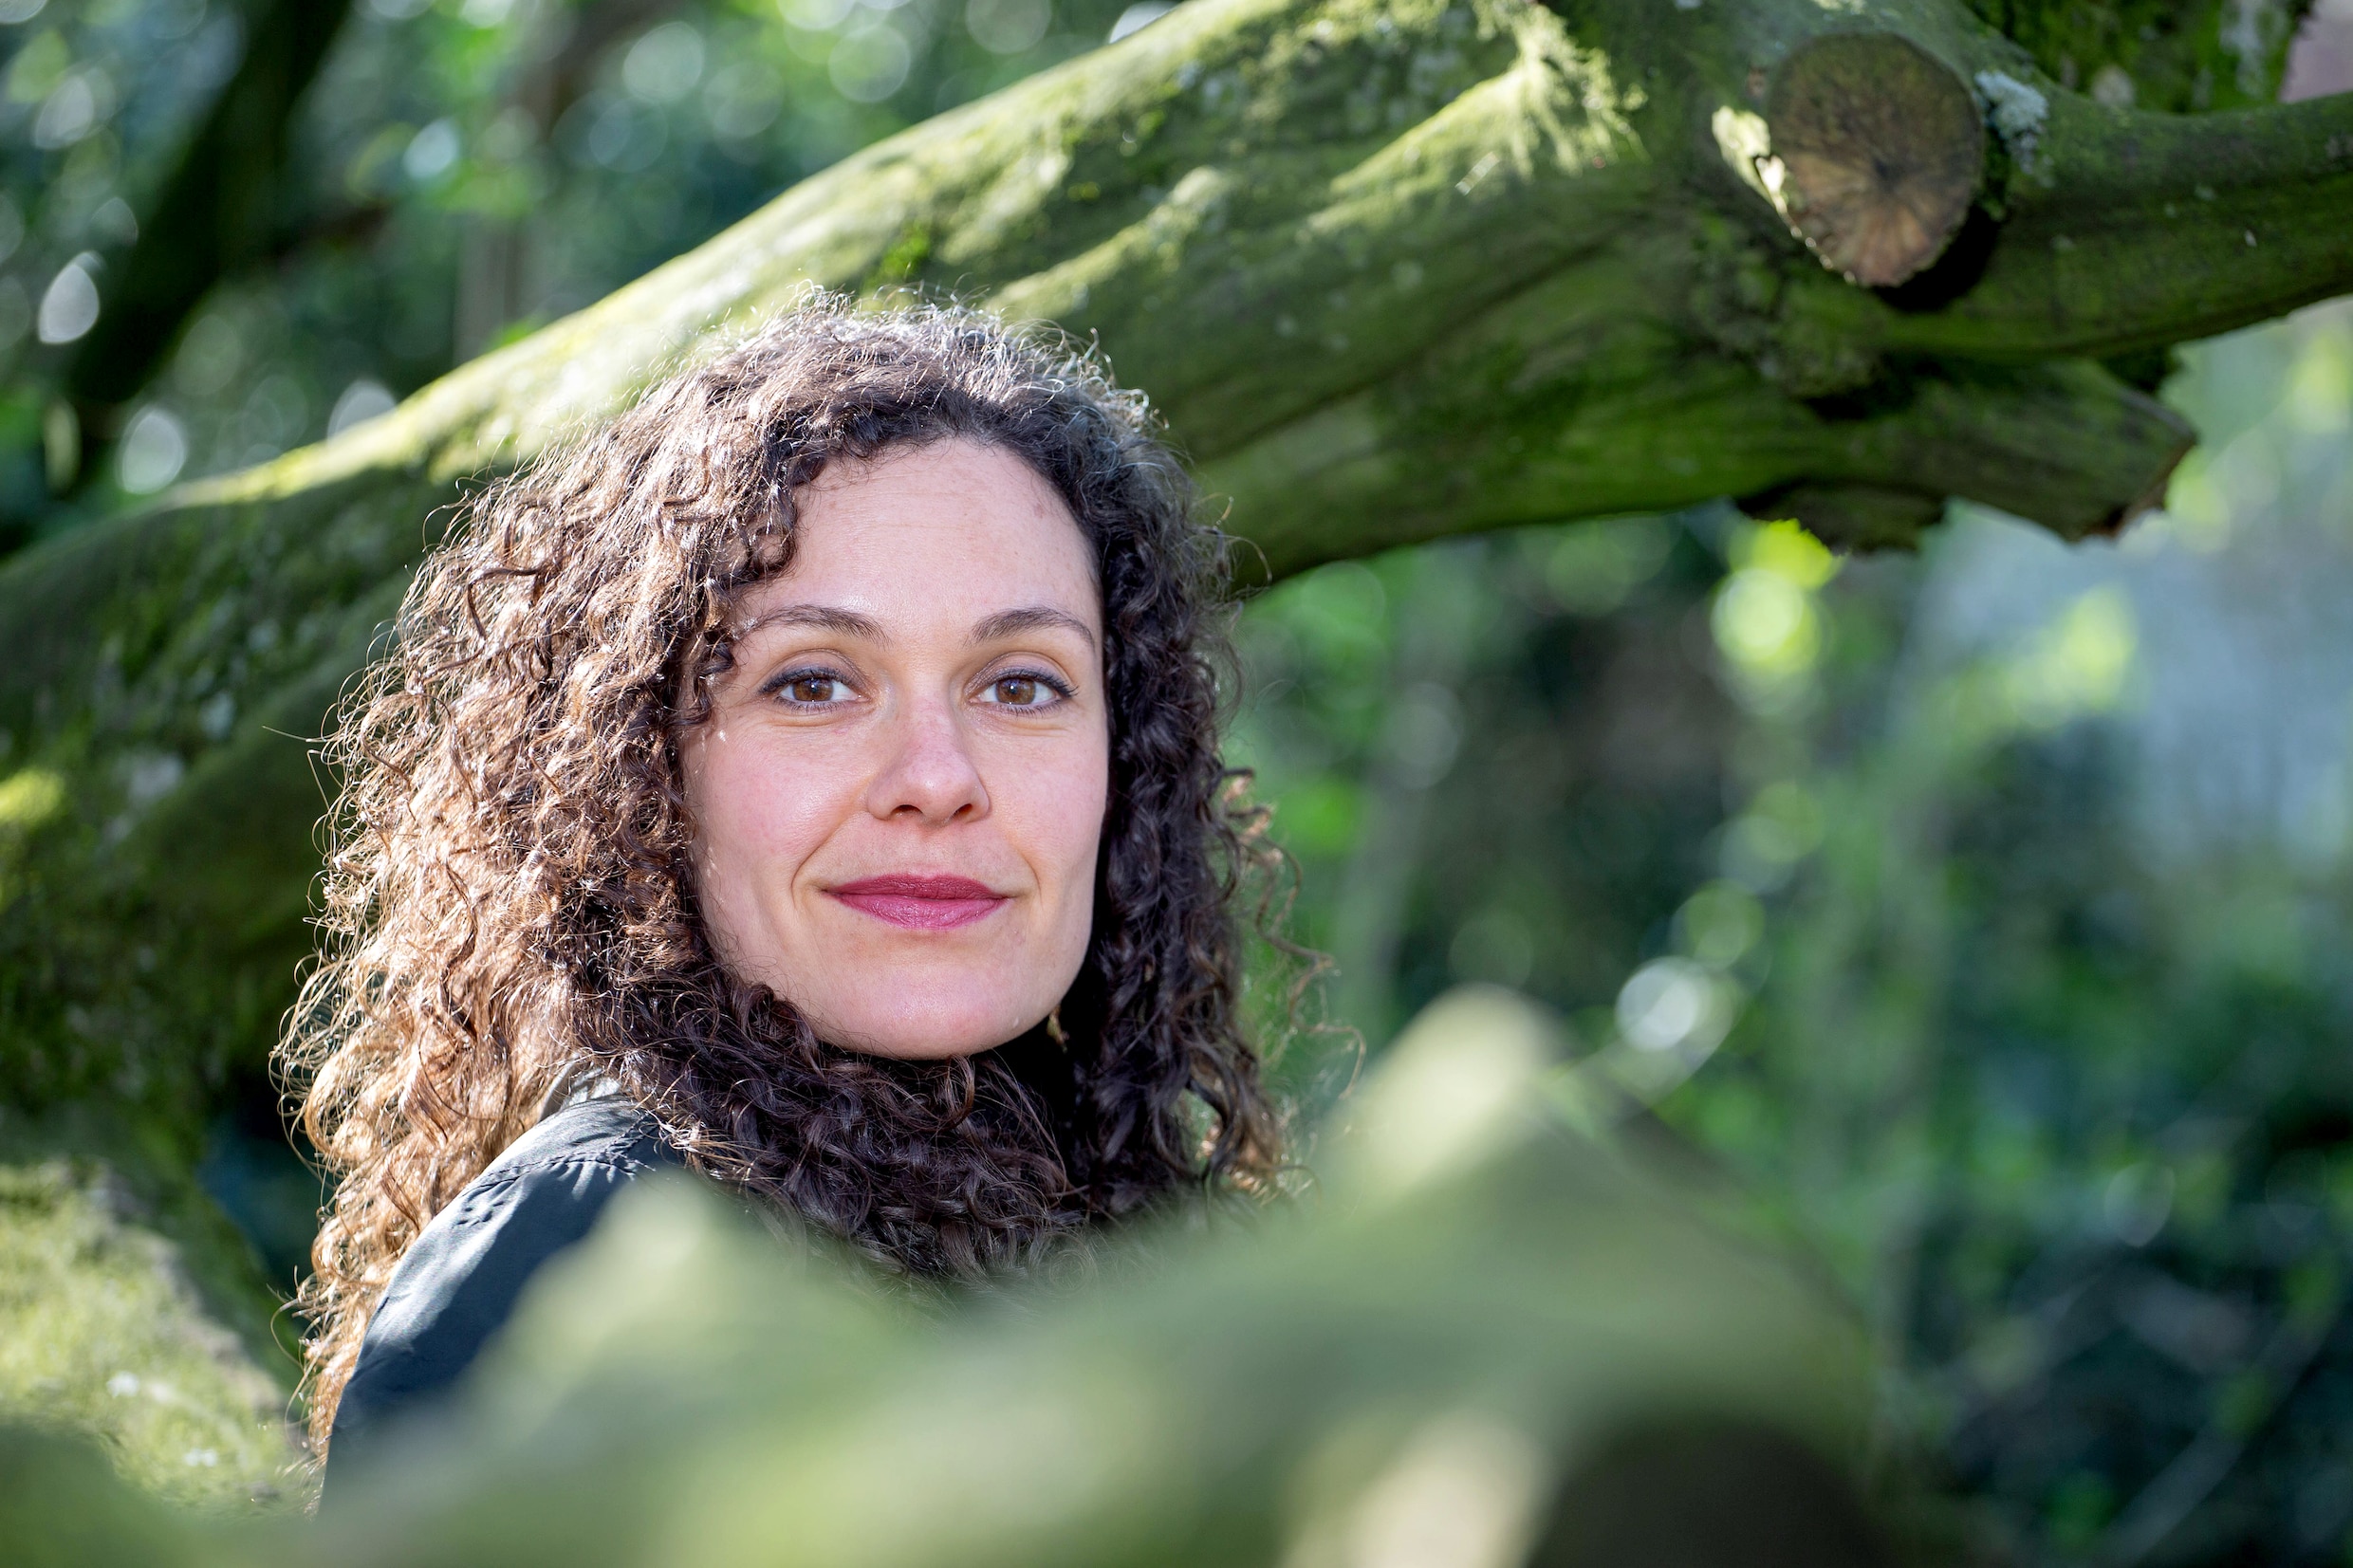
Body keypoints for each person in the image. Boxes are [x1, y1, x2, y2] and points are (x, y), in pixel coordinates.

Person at [281, 299, 1285, 1474]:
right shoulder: (567, 1278)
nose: (935, 779)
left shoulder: (1140, 1252)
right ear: (643, 772)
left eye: (1019, 685)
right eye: (813, 684)